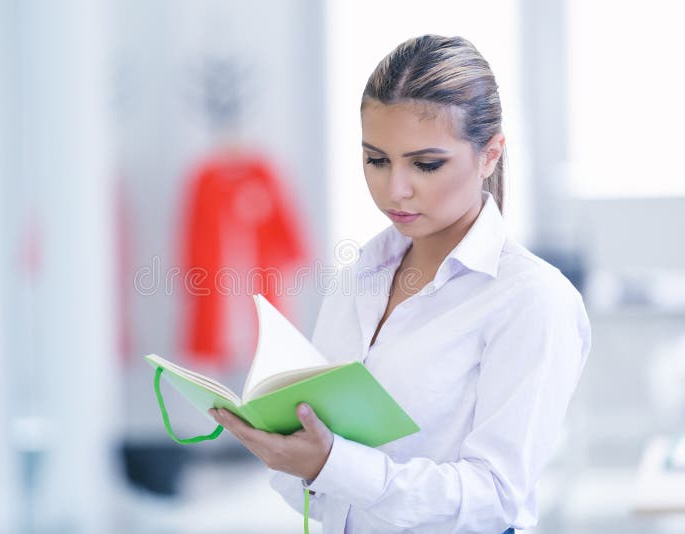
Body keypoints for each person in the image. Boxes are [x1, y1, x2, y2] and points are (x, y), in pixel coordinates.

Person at [208, 34, 591, 533]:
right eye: (377, 160)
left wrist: (335, 465)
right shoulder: (358, 279)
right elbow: (321, 495)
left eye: (426, 165)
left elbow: (495, 498)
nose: (396, 190)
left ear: (490, 154)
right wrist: (294, 454)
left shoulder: (533, 300)